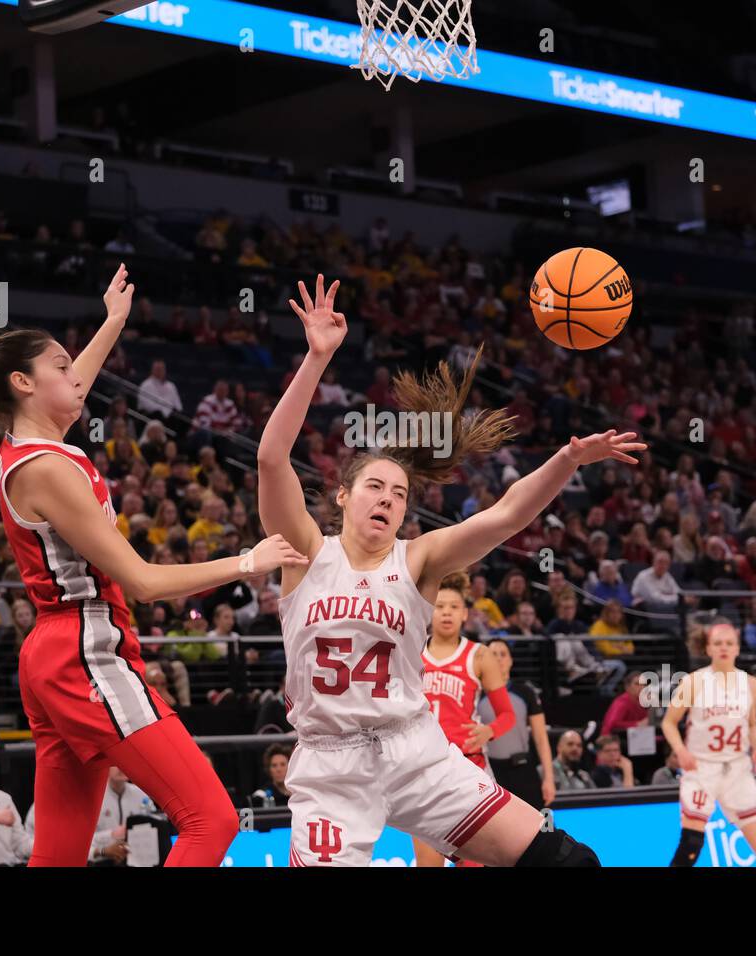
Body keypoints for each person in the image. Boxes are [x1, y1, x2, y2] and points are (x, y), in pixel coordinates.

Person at [0, 257, 308, 867]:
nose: (77, 377)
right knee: (212, 819)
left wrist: (113, 321)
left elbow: (69, 393)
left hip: (52, 651)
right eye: (60, 366)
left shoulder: (27, 446)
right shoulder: (49, 467)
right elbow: (143, 582)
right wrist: (247, 560)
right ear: (22, 383)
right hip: (85, 650)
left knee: (58, 857)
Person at [257, 275, 642, 866]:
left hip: (415, 752)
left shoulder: (420, 558)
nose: (386, 499)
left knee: (569, 863)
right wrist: (315, 359)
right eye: (374, 487)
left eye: (399, 493)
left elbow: (508, 514)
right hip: (331, 766)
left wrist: (566, 459)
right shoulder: (306, 553)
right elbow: (271, 457)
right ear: (342, 497)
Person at [413, 570, 515, 867]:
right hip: (422, 768)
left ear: (465, 614)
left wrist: (489, 731)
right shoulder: (411, 651)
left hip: (468, 769)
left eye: (454, 607)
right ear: (429, 610)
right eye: (440, 606)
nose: (446, 612)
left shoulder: (480, 656)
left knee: (473, 862)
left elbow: (507, 715)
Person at [662, 619, 756, 867]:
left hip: (737, 770)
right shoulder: (693, 681)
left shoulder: (752, 684)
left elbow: (750, 724)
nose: (723, 647)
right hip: (701, 768)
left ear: (738, 648)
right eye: (717, 643)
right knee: (691, 844)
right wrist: (681, 751)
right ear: (708, 649)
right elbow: (669, 723)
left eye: (729, 643)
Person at [477, 638, 555, 809]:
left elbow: (541, 737)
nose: (498, 658)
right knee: (499, 832)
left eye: (503, 654)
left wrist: (548, 778)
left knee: (545, 824)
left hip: (524, 770)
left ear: (511, 660)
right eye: (493, 654)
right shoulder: (476, 694)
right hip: (491, 773)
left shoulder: (525, 692)